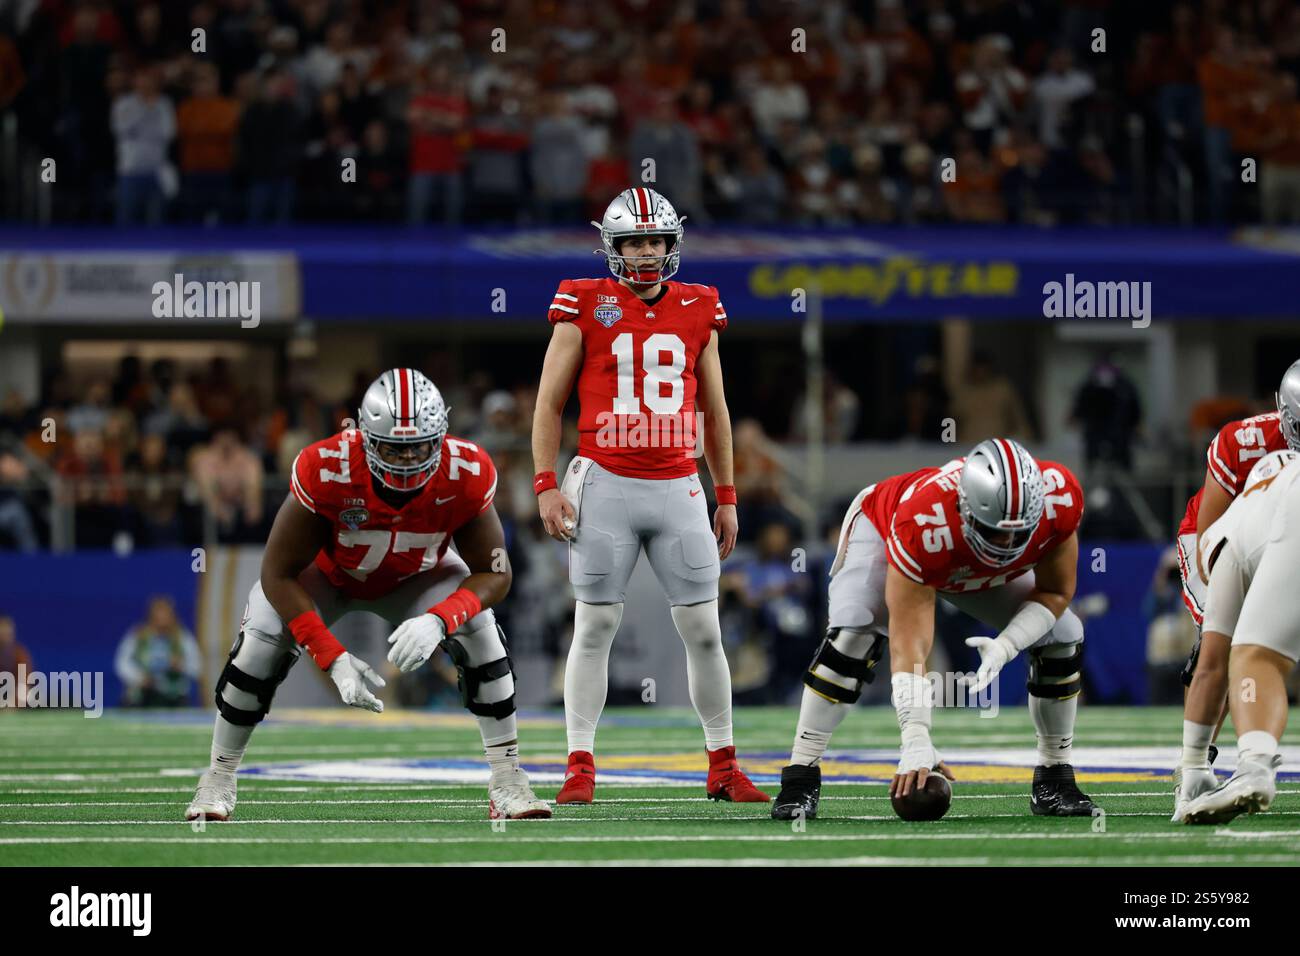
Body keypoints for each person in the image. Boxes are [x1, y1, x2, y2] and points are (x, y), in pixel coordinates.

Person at [186, 369, 550, 822]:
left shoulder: (467, 470)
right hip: (330, 578)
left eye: (419, 445)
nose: (408, 459)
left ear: (441, 436)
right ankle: (218, 778)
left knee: (478, 625)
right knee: (261, 637)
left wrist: (441, 618)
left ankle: (508, 779)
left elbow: (495, 573)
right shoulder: (326, 466)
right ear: (362, 435)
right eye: (393, 447)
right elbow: (277, 573)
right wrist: (333, 657)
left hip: (421, 576)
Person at [532, 187, 768, 804]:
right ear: (612, 246)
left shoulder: (699, 305)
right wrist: (545, 482)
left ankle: (722, 764)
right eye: (633, 241)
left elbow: (715, 412)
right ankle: (580, 764)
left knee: (705, 630)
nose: (644, 252)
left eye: (654, 241)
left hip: (677, 484)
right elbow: (549, 404)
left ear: (672, 244)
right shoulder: (583, 301)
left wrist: (727, 494)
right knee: (595, 624)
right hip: (605, 481)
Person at [772, 438, 1095, 820]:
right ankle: (800, 776)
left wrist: (1007, 644)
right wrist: (916, 737)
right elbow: (911, 645)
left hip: (958, 558)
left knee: (1063, 633)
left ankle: (1054, 779)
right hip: (884, 528)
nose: (1006, 544)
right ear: (965, 508)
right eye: (995, 531)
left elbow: (1056, 592)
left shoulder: (1060, 497)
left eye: (1018, 532)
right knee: (856, 631)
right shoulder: (924, 523)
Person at [1171, 359, 1300, 820]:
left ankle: (1208, 765)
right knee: (1221, 649)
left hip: (1262, 532)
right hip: (1225, 537)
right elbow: (1210, 536)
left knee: (1241, 652)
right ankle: (1197, 763)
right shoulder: (1241, 442)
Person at [114, 596, 201, 706]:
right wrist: (139, 678)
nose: (162, 619)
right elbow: (122, 663)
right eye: (158, 615)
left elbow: (197, 667)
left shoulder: (182, 637)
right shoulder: (138, 636)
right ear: (151, 616)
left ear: (172, 616)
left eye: (166, 614)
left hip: (173, 698)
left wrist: (181, 665)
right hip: (143, 696)